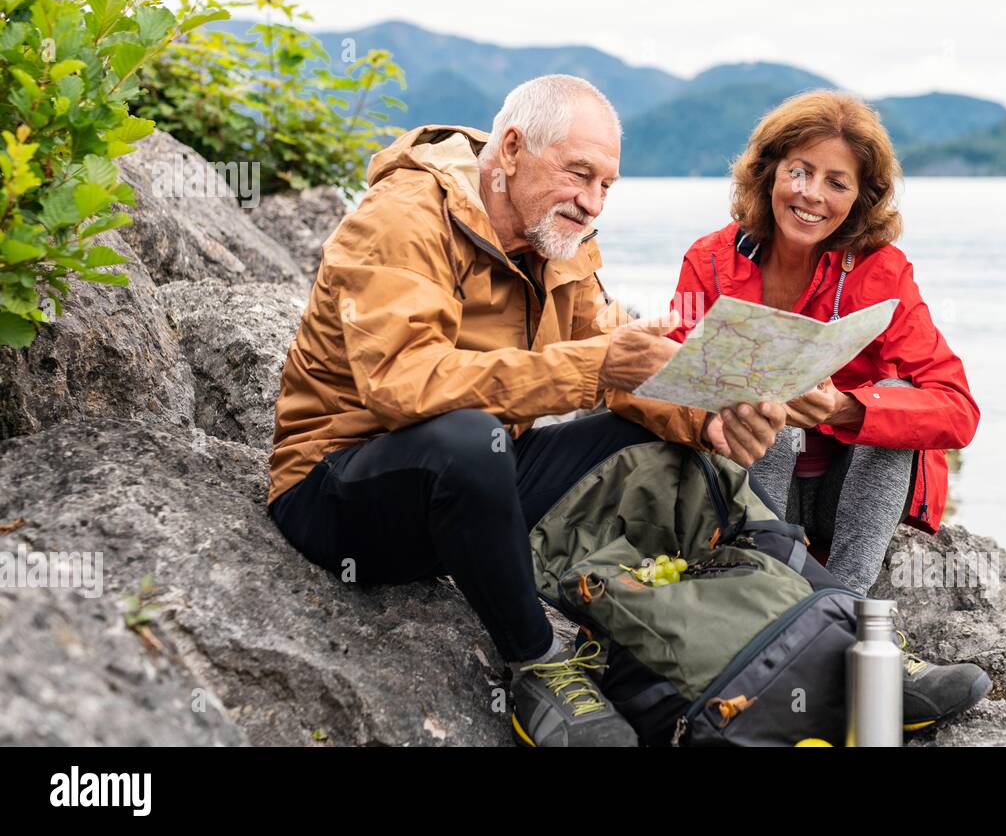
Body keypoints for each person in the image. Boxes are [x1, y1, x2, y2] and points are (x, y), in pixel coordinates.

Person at [266, 74, 787, 747]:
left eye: (607, 186)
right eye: (580, 174)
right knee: (471, 440)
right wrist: (593, 366)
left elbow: (620, 362)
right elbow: (402, 383)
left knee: (659, 447)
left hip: (471, 493)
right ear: (511, 148)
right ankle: (539, 663)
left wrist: (705, 419)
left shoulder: (557, 237)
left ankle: (822, 621)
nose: (593, 202)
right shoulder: (404, 216)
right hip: (339, 492)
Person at [666, 88, 990, 730]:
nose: (813, 195)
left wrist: (848, 409)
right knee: (768, 418)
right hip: (753, 494)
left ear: (858, 200)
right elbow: (673, 379)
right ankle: (855, 645)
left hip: (849, 498)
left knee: (895, 401)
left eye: (836, 182)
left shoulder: (882, 272)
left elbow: (958, 411)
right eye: (800, 171)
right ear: (769, 174)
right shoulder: (709, 258)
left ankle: (843, 606)